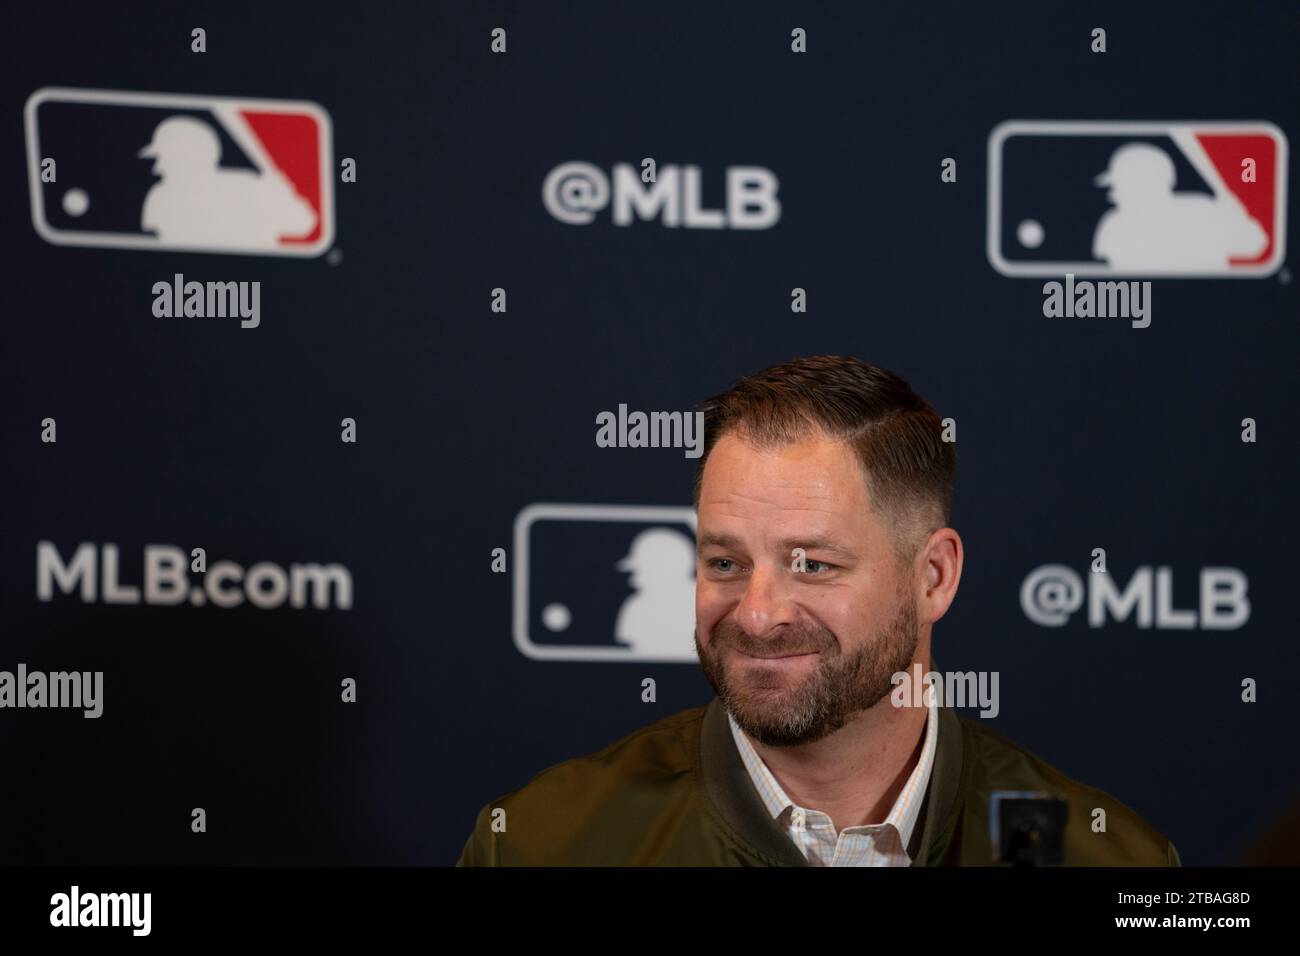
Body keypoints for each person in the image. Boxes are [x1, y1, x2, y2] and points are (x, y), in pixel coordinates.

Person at [457, 356, 1179, 866]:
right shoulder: (539, 845)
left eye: (814, 564)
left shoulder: (1110, 859)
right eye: (725, 563)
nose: (759, 614)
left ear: (934, 576)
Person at [139, 115, 316, 250]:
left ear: (189, 157)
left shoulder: (249, 188)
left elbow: (303, 224)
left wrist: (282, 196)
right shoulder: (162, 197)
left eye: (165, 158)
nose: (158, 167)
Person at [1092, 142, 1267, 271]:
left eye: (1119, 183)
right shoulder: (1114, 224)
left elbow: (1255, 244)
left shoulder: (1202, 212)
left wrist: (1235, 219)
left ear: (1143, 183)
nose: (1113, 192)